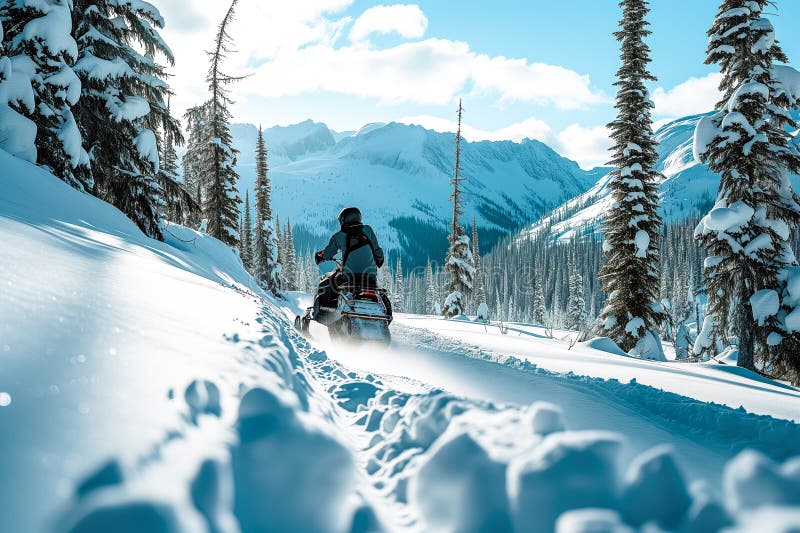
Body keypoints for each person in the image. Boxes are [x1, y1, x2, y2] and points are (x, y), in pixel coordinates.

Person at [310, 207, 388, 322]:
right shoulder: (368, 230)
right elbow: (377, 251)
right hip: (370, 278)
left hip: (349, 277)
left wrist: (320, 256)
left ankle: (325, 315)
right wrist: (379, 260)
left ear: (343, 220)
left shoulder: (340, 236)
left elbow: (327, 253)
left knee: (326, 282)